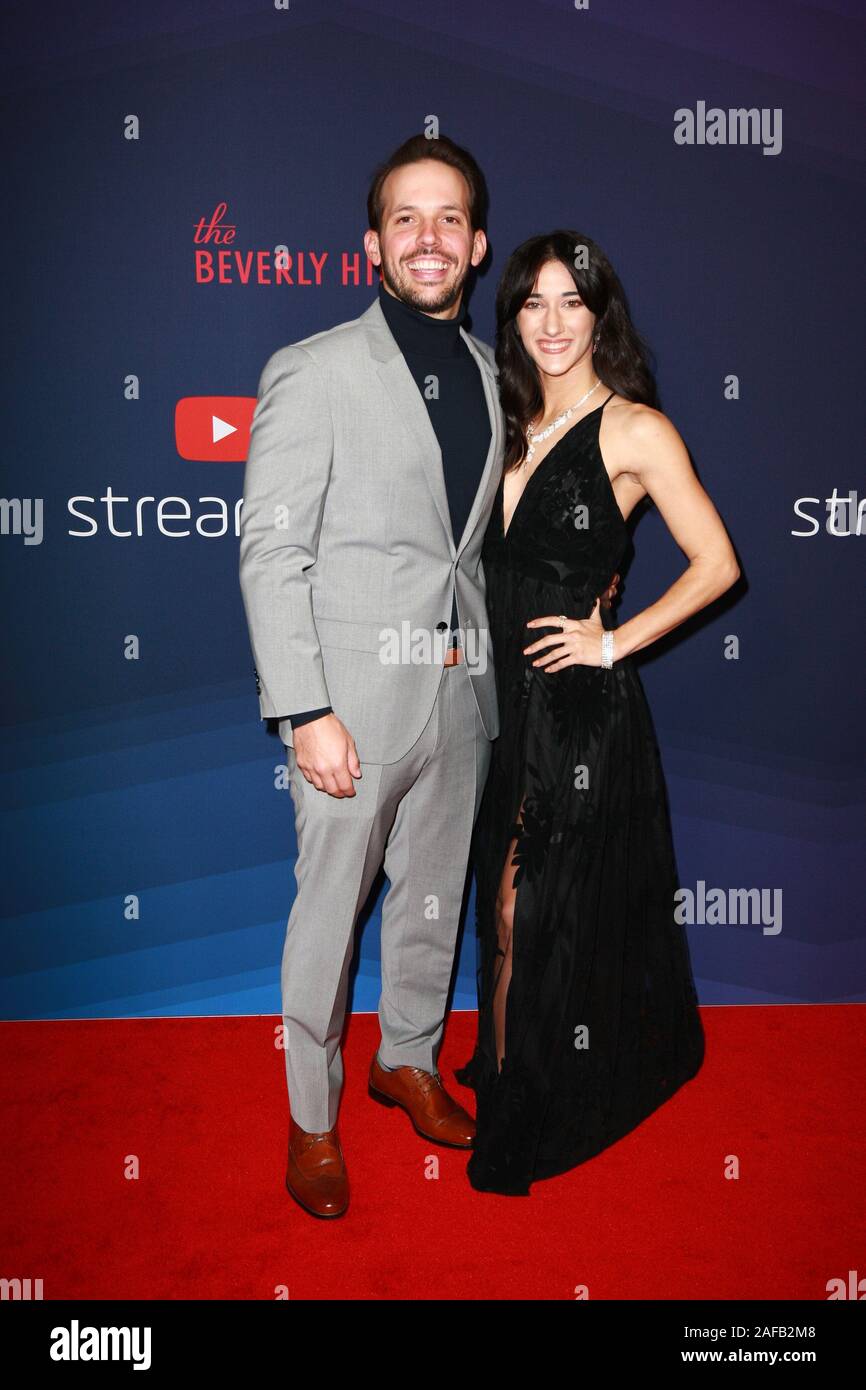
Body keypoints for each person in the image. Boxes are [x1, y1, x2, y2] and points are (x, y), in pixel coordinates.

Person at [239, 134, 506, 1219]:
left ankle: (408, 1059)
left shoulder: (494, 376)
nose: (427, 238)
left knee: (431, 907)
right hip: (348, 702)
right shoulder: (312, 370)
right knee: (327, 919)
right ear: (372, 245)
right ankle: (312, 1117)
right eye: (406, 218)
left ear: (476, 244)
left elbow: (466, 548)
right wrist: (304, 708)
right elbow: (271, 551)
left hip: (459, 696)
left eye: (448, 219)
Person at [455, 233, 740, 1196]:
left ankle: (518, 1110)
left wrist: (612, 642)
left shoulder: (636, 430)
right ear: (513, 319)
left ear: (598, 313)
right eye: (531, 303)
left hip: (574, 715)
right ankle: (501, 1066)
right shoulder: (501, 418)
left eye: (570, 301)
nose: (550, 321)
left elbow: (718, 565)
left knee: (521, 907)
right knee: (493, 919)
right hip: (492, 706)